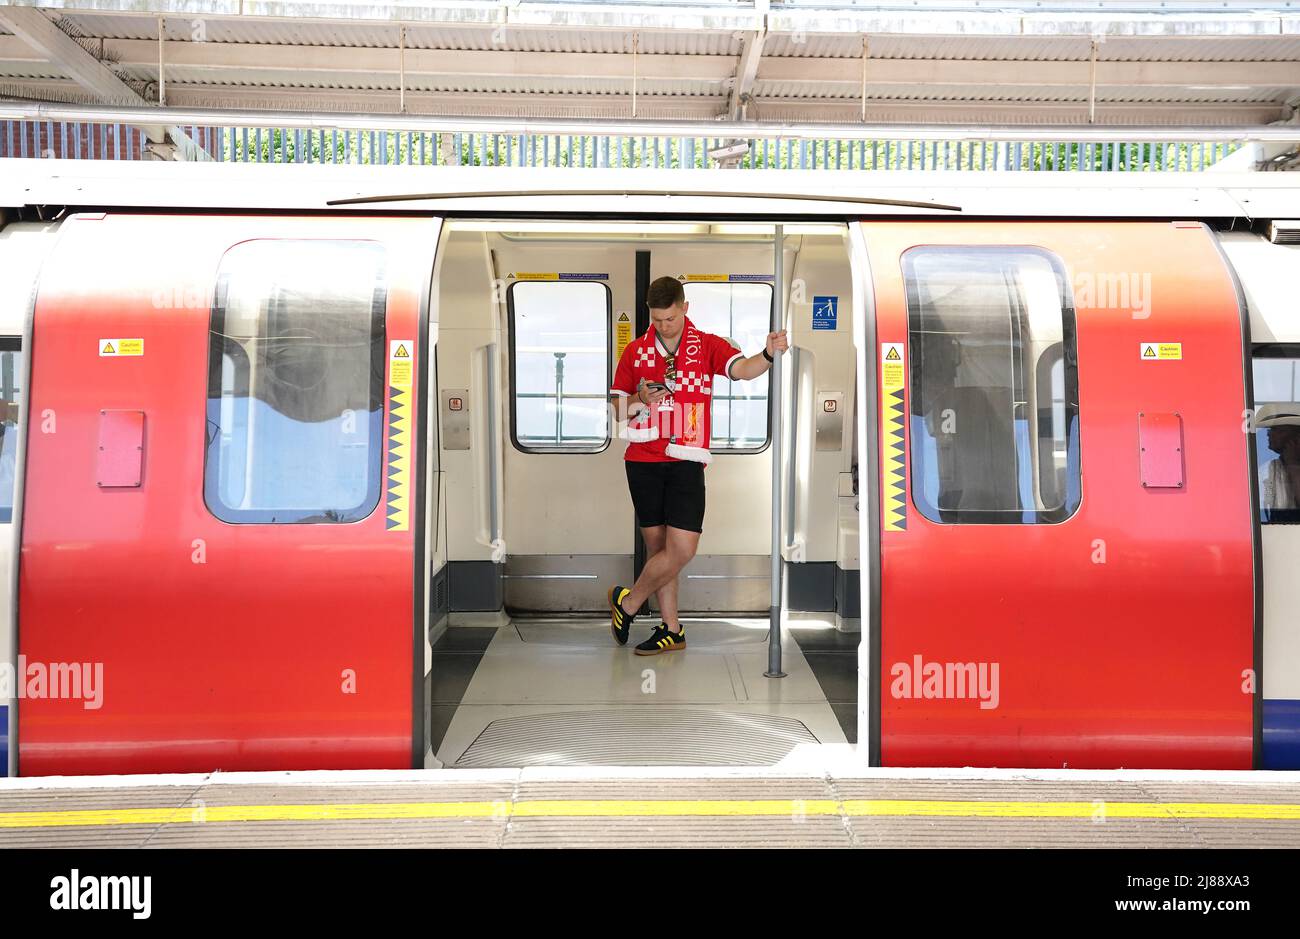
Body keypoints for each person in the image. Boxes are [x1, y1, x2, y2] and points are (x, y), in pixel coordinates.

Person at [606, 275, 788, 655]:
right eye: (656, 320)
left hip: (687, 459)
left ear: (685, 309)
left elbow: (742, 370)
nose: (662, 326)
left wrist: (769, 354)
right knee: (660, 551)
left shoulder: (707, 345)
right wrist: (640, 396)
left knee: (682, 549)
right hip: (642, 461)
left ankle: (628, 602)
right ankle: (672, 629)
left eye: (669, 318)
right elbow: (616, 411)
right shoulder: (635, 352)